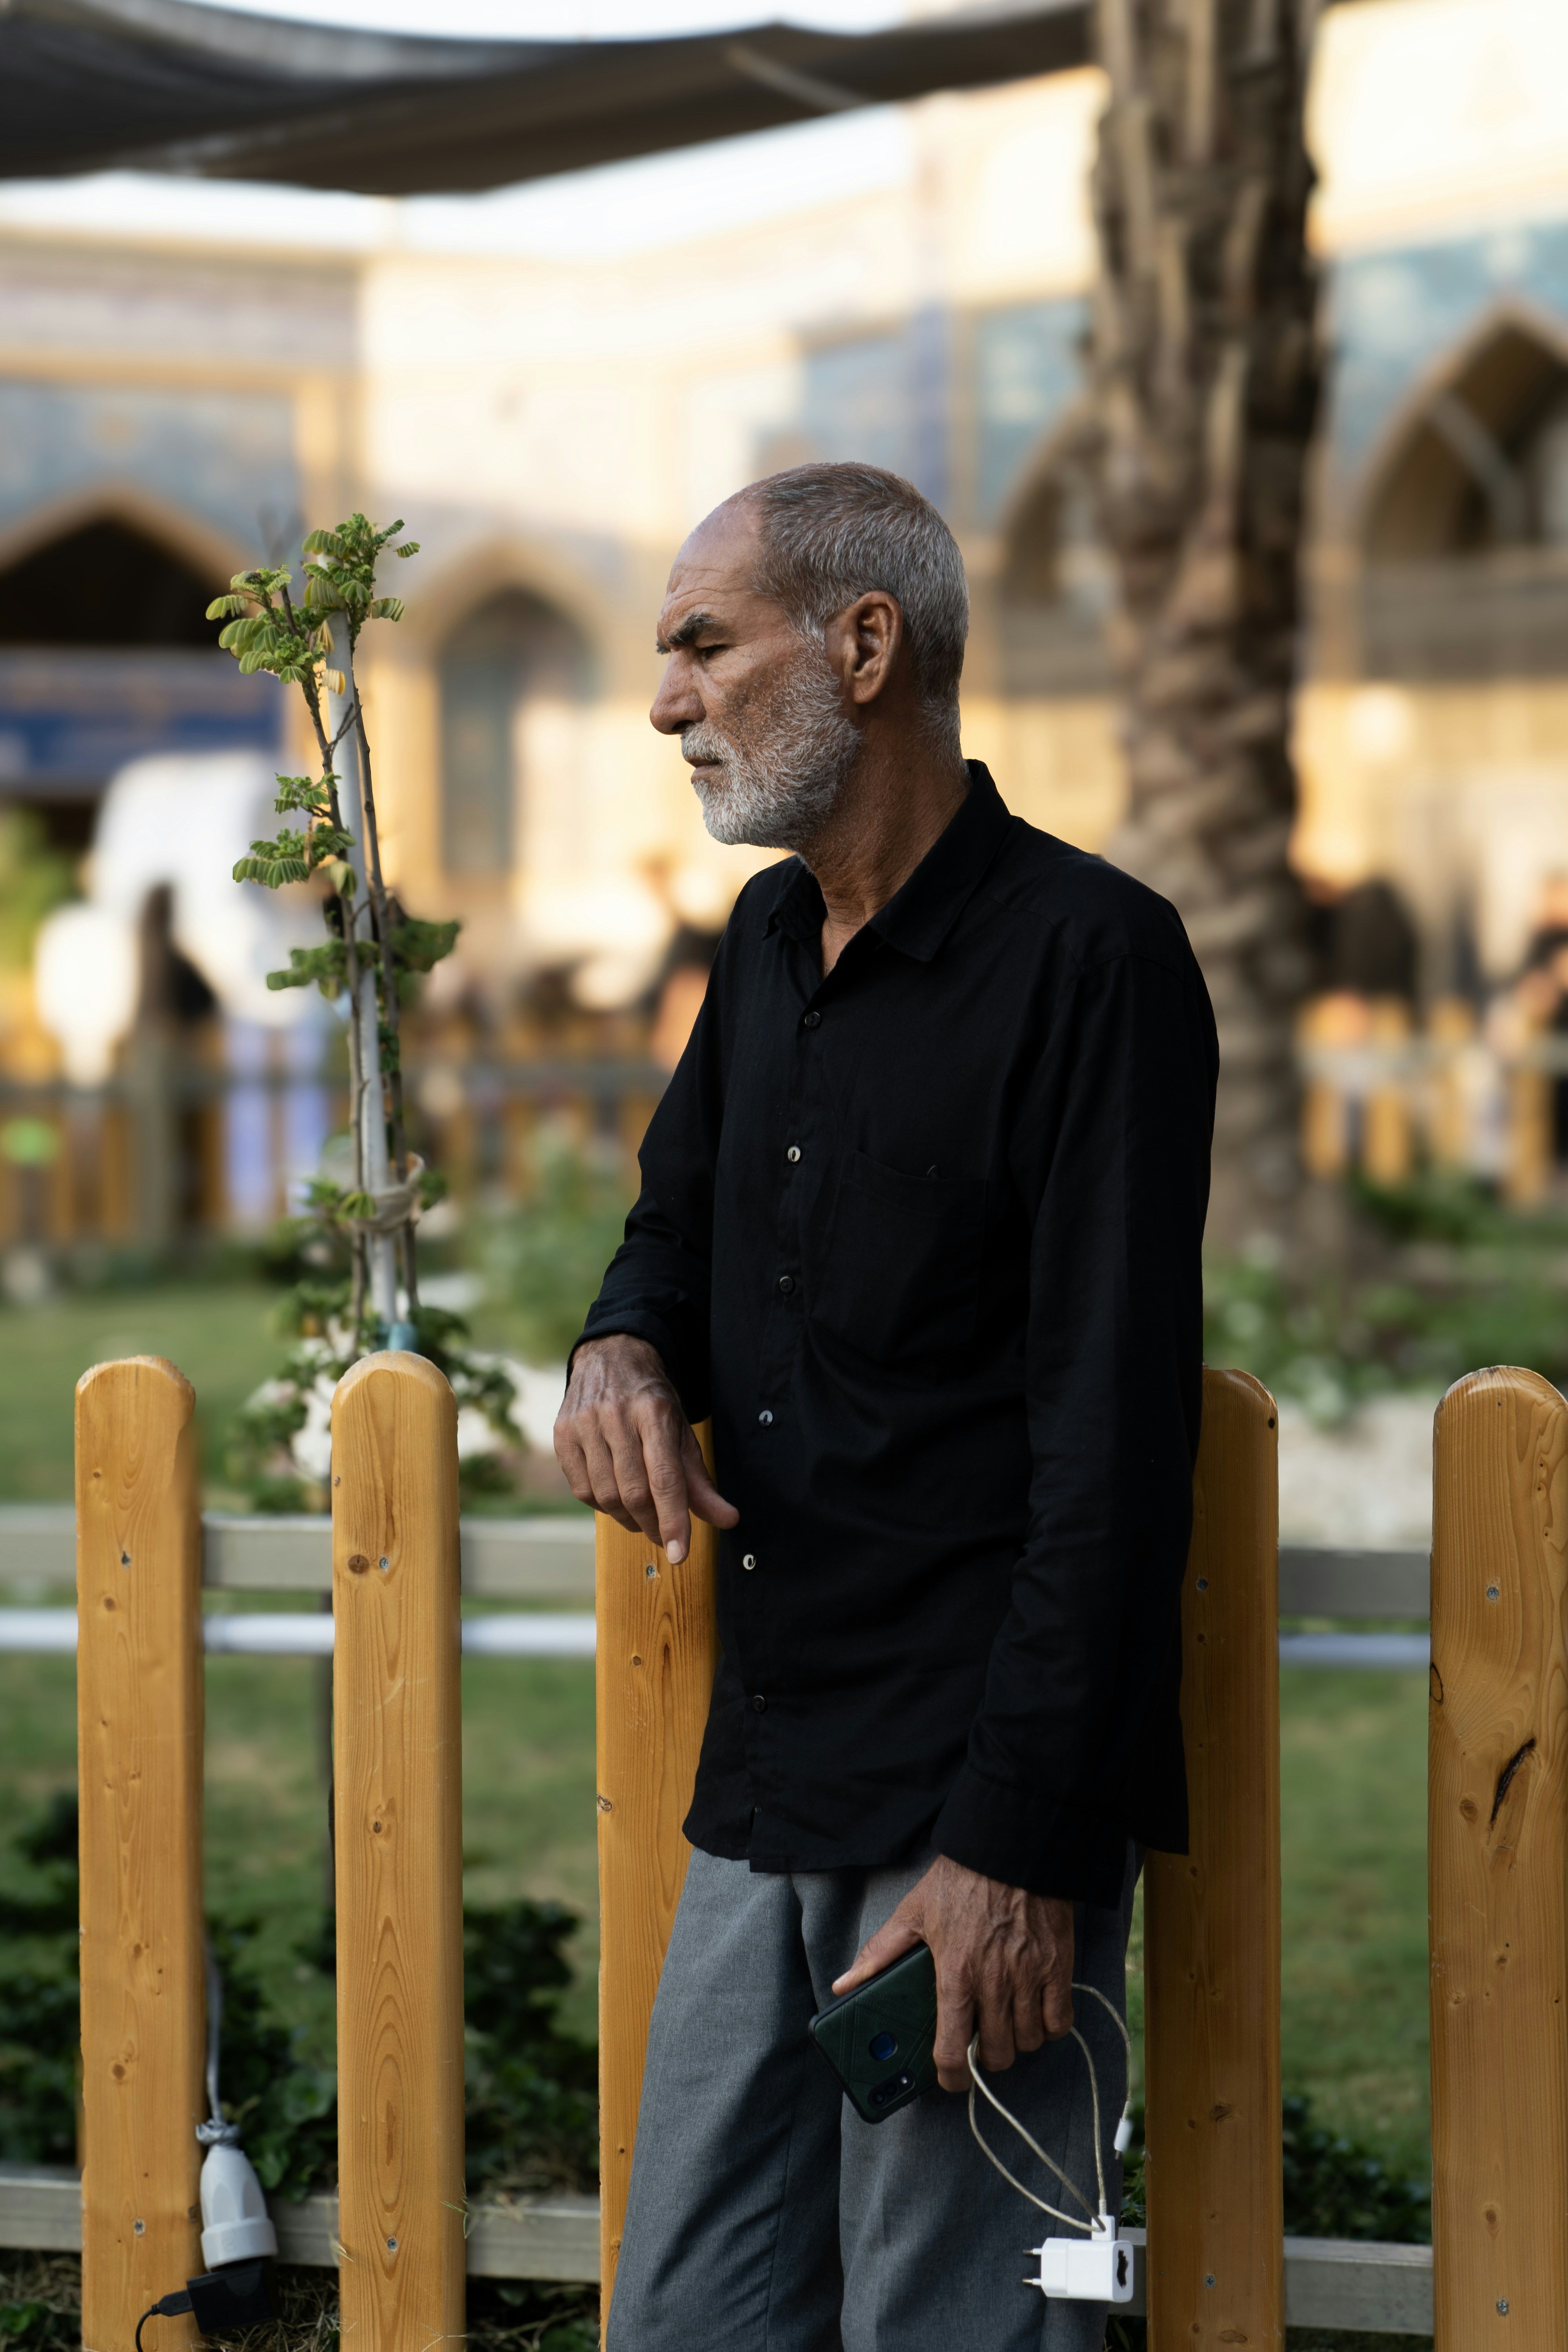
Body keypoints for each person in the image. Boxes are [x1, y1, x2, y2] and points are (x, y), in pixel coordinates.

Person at [555, 462, 1217, 2350]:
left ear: (863, 647)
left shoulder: (1095, 959)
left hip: (967, 1803)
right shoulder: (766, 944)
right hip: (763, 1775)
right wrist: (618, 1349)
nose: (666, 701)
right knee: (682, 2318)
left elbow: (1114, 1446)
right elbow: (663, 1235)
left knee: (950, 2331)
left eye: (702, 643)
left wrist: (1013, 1849)